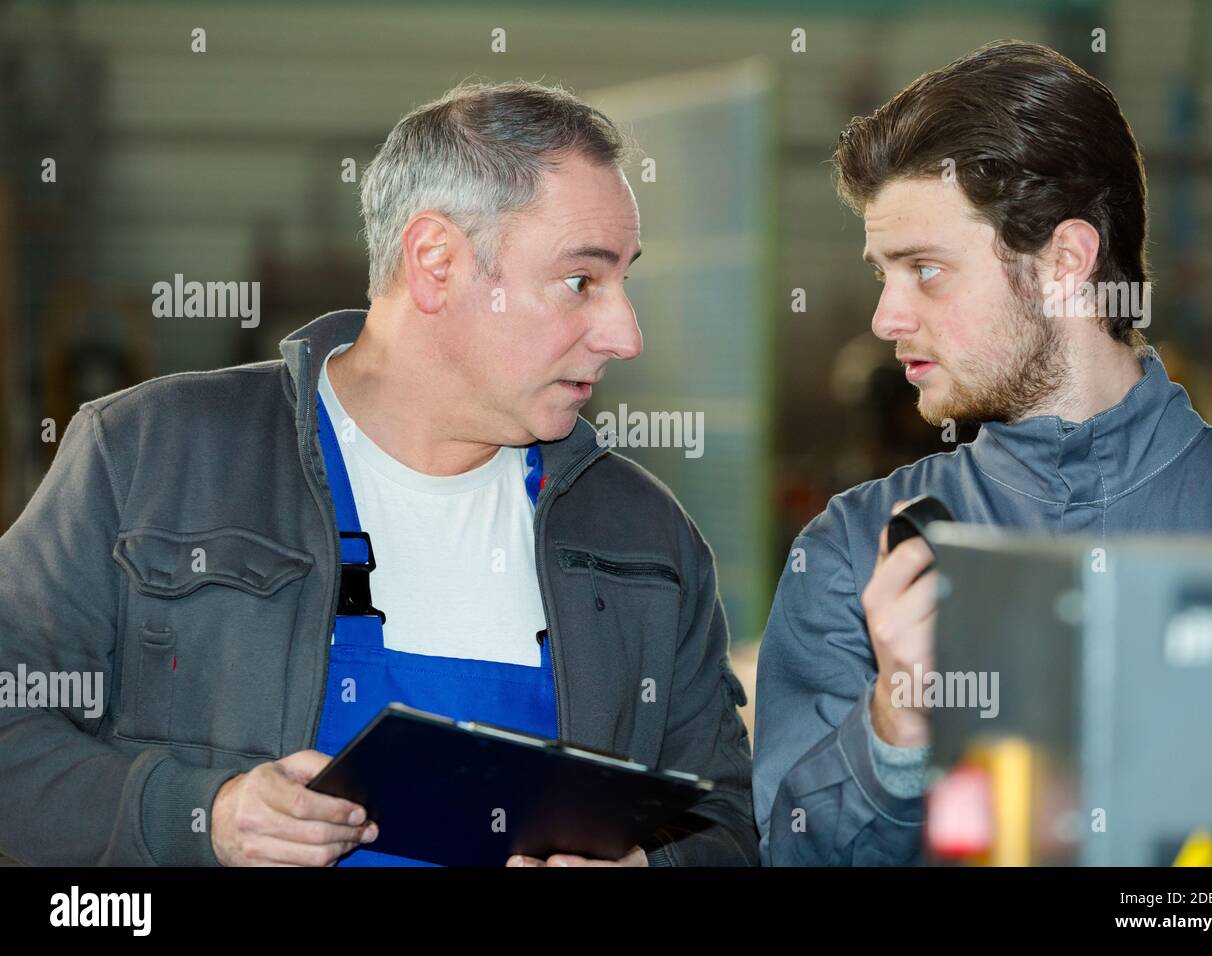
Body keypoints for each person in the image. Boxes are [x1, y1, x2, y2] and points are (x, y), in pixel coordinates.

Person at [0, 81, 757, 867]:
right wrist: (203, 815)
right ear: (435, 261)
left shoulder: (645, 536)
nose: (624, 333)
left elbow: (728, 819)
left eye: (624, 279)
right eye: (581, 282)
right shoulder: (150, 458)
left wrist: (647, 866)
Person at [752, 41, 1212, 866]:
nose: (886, 319)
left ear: (1066, 262)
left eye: (925, 271)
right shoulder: (855, 557)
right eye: (882, 275)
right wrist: (895, 727)